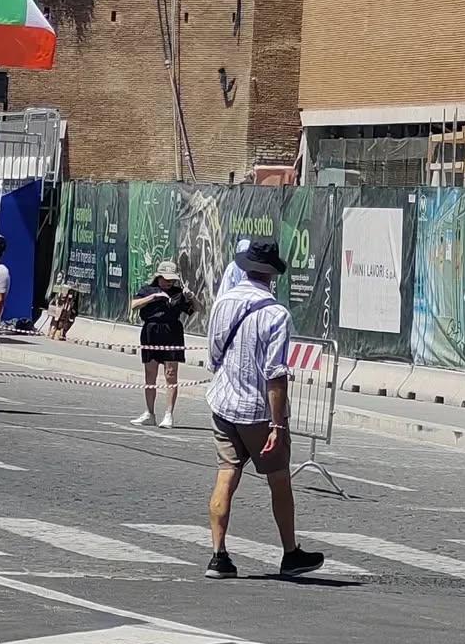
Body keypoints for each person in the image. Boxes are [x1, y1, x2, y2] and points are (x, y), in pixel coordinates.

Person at [203, 238, 323, 580]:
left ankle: (218, 555)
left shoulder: (223, 301)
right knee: (279, 480)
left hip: (223, 403)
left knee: (226, 474)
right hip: (257, 410)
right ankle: (290, 552)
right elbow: (275, 375)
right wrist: (278, 424)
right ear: (273, 275)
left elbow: (212, 353)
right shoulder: (276, 314)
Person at [130, 261, 196, 428]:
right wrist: (153, 297)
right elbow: (133, 305)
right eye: (165, 279)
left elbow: (196, 309)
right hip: (151, 331)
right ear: (158, 277)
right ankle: (149, 413)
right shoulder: (147, 289)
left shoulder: (178, 293)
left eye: (171, 280)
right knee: (150, 373)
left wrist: (192, 297)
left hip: (172, 331)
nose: (168, 283)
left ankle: (168, 414)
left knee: (171, 374)